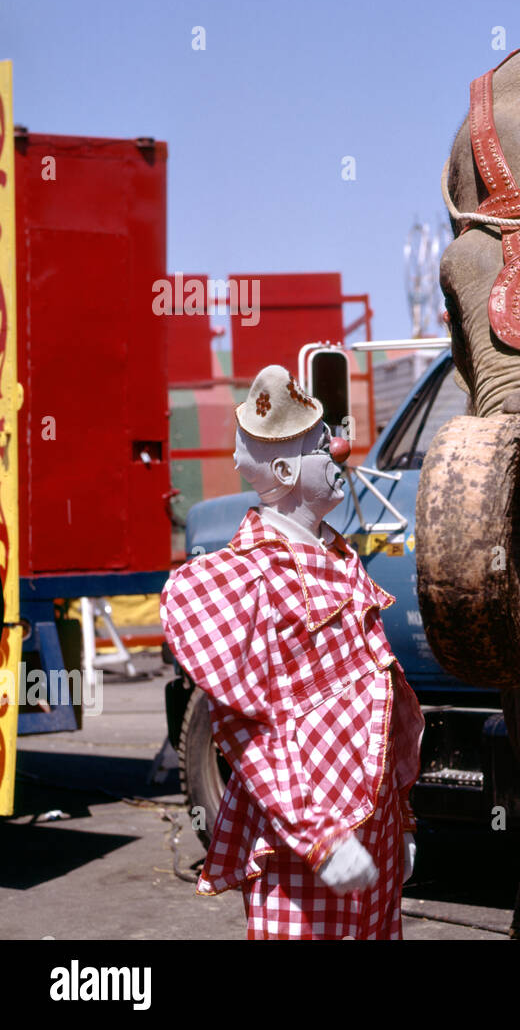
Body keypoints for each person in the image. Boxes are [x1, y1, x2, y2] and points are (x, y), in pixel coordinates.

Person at [162, 364, 424, 939]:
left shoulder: (341, 558)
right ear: (282, 469)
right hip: (304, 846)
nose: (338, 449)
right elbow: (245, 732)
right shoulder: (247, 578)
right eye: (318, 446)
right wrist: (323, 840)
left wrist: (398, 818)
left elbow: (383, 695)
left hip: (371, 830)